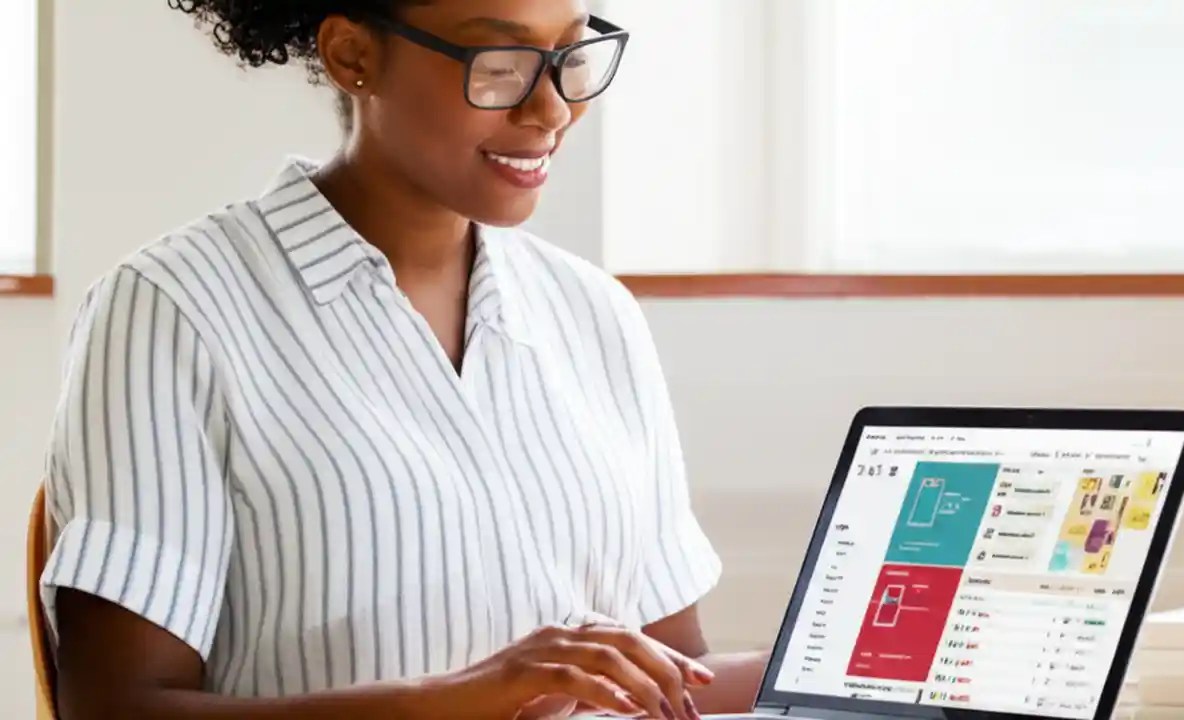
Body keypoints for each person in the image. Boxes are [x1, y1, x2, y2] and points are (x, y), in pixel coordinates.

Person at [40, 0, 767, 718]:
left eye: (568, 57)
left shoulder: (594, 311)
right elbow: (115, 707)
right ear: (353, 56)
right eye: (501, 64)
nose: (550, 110)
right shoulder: (177, 308)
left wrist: (853, 667)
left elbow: (677, 680)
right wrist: (456, 702)